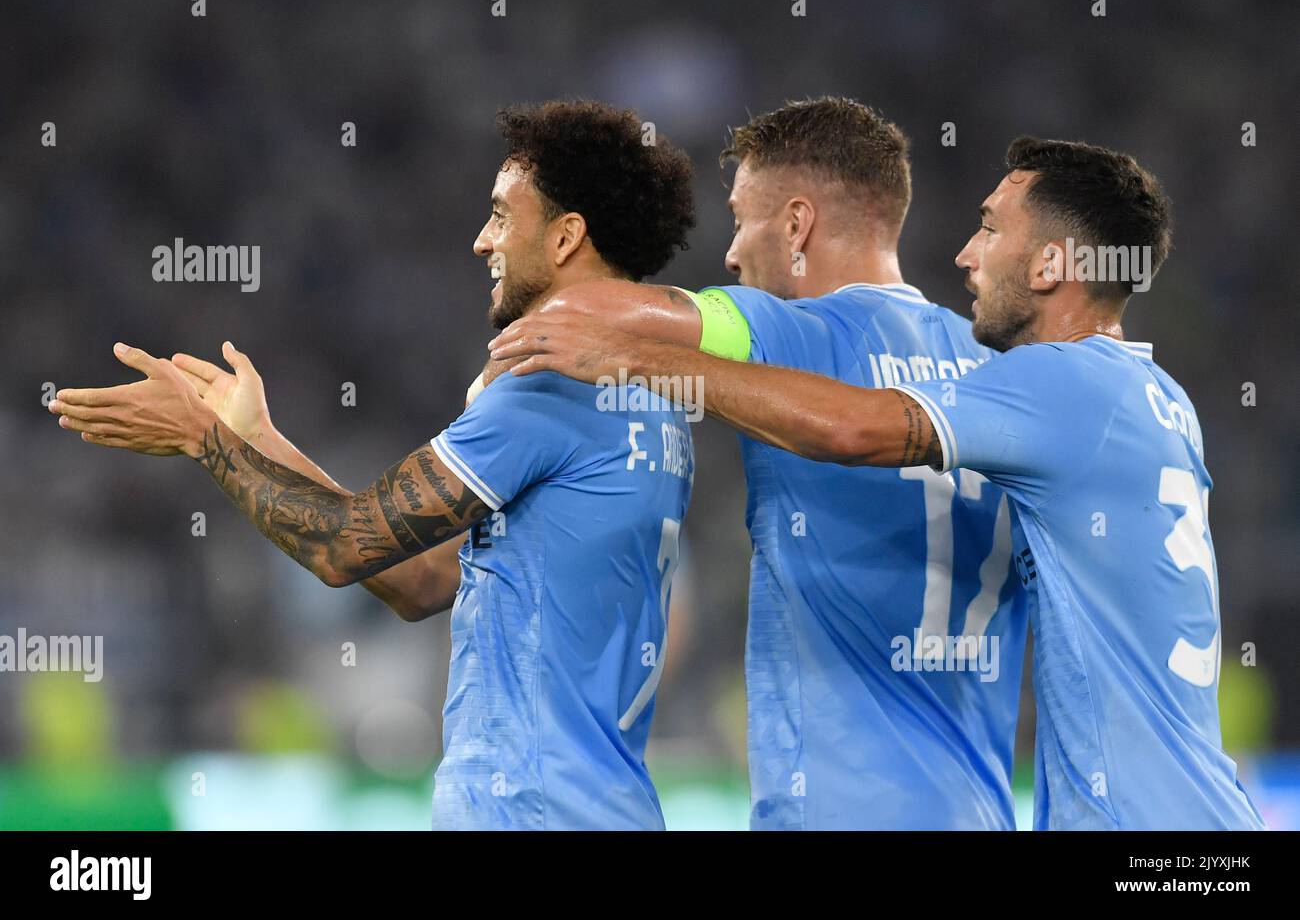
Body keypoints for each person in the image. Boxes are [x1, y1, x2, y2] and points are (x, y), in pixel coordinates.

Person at [489, 135, 1266, 830]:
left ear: (1052, 263)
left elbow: (852, 428)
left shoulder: (1057, 385)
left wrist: (633, 356)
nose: (966, 253)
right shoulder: (1153, 393)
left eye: (991, 229)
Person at [50, 100, 699, 831]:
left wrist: (205, 440)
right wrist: (259, 438)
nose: (482, 240)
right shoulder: (650, 400)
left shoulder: (546, 387)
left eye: (500, 216)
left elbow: (340, 547)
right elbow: (417, 578)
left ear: (565, 237)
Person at [496, 98, 1026, 829]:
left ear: (797, 224)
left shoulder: (787, 329)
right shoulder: (1001, 372)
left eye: (744, 218)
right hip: (985, 810)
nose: (732, 251)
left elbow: (615, 311)